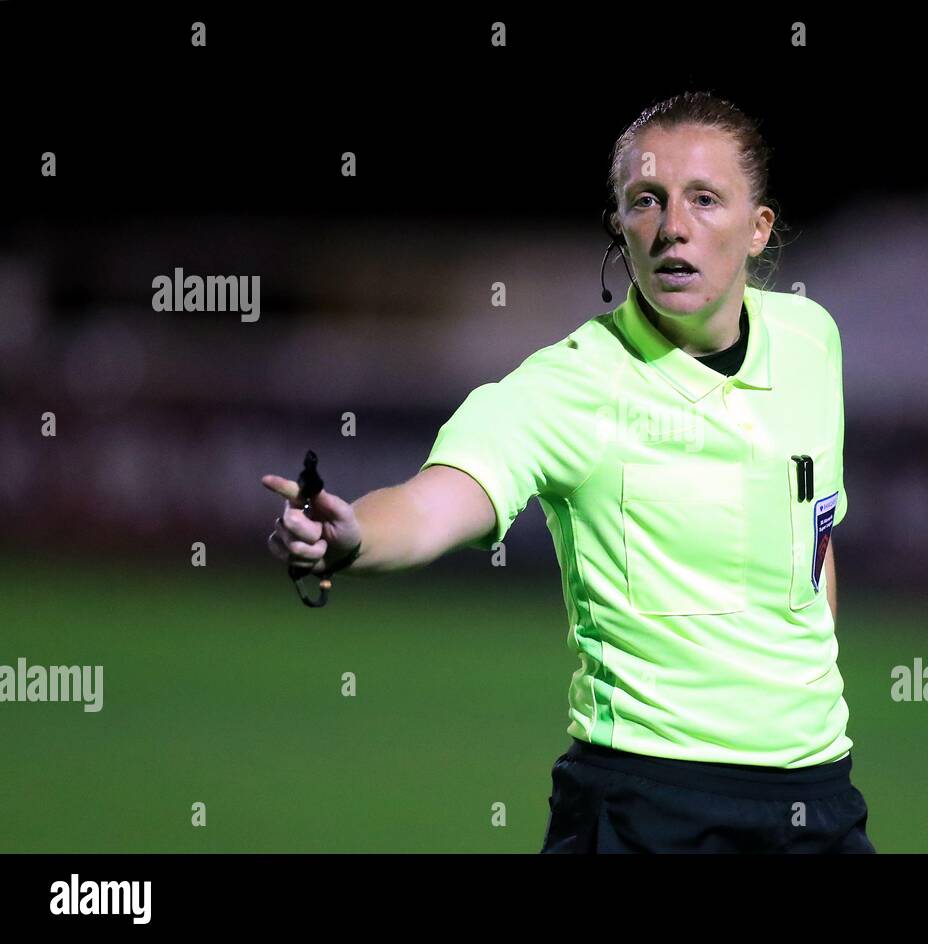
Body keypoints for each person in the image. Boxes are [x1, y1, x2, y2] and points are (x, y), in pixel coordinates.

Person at [262, 91, 876, 853]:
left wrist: (800, 698)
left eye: (704, 199)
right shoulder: (572, 385)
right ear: (620, 223)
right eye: (646, 201)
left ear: (758, 229)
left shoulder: (811, 340)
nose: (673, 226)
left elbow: (813, 538)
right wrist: (354, 538)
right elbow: (435, 504)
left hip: (816, 803)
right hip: (647, 808)